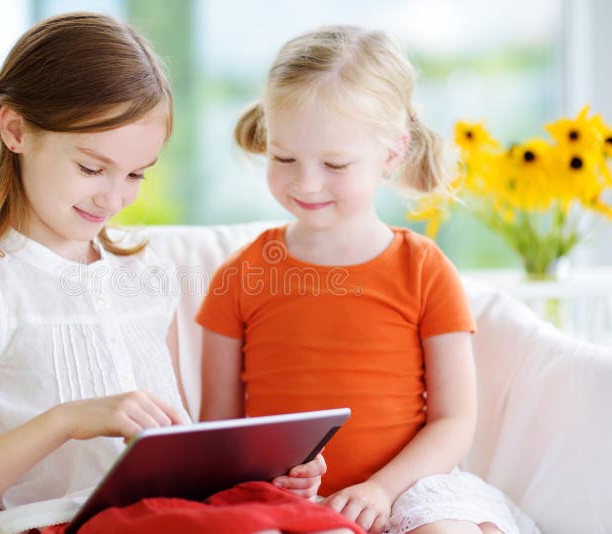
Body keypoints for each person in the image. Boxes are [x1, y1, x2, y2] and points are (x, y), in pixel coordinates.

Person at [0, 12, 358, 534]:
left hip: (173, 511)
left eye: (136, 174)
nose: (113, 197)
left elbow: (178, 455)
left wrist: (270, 475)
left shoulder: (142, 277)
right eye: (92, 168)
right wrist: (68, 421)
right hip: (63, 521)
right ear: (15, 131)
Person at [197, 26, 539, 534]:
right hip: (284, 498)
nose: (305, 183)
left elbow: (454, 422)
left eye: (334, 164)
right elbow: (219, 434)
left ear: (392, 154)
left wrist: (382, 488)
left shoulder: (424, 269)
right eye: (284, 157)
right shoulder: (238, 276)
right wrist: (281, 479)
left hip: (411, 486)